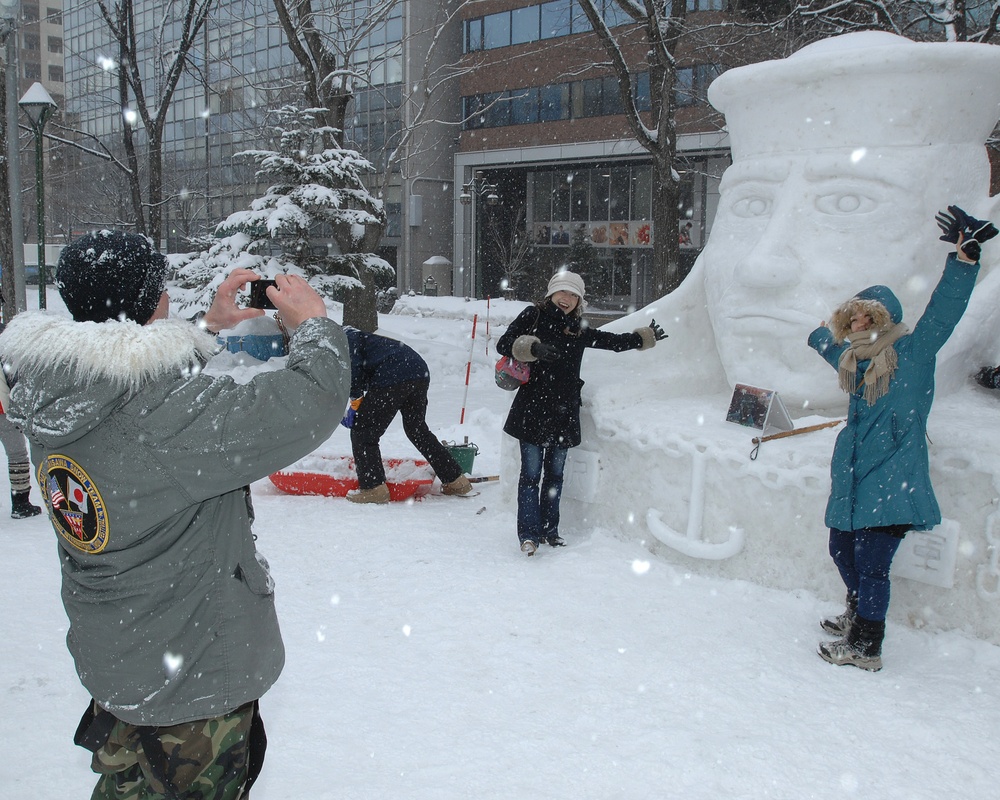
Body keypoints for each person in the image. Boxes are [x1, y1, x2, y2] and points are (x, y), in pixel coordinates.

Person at [0, 230, 350, 797]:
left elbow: (135, 389)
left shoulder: (55, 387)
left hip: (122, 657)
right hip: (189, 676)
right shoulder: (162, 417)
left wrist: (206, 327)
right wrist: (312, 326)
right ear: (149, 302)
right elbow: (308, 403)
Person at [806, 207, 996, 672]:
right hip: (853, 476)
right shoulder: (856, 363)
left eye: (868, 316)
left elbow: (944, 311)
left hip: (892, 474)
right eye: (851, 319)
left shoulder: (912, 351)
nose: (858, 324)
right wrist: (819, 339)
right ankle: (855, 615)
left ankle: (867, 646)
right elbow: (835, 352)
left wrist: (963, 262)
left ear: (886, 318)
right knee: (839, 550)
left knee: (872, 566)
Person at [496, 271, 666, 555]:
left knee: (555, 476)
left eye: (574, 295)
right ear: (552, 293)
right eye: (563, 292)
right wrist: (534, 347)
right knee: (530, 475)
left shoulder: (577, 327)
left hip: (564, 411)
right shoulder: (533, 315)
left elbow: (609, 341)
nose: (567, 299)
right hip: (533, 408)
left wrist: (642, 338)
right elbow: (504, 343)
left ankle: (550, 531)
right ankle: (528, 534)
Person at [342, 327, 473, 503]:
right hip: (418, 370)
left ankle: (373, 488)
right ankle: (456, 480)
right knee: (417, 429)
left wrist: (356, 399)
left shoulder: (344, 339)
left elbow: (354, 366)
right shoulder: (359, 338)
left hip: (393, 374)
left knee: (364, 431)